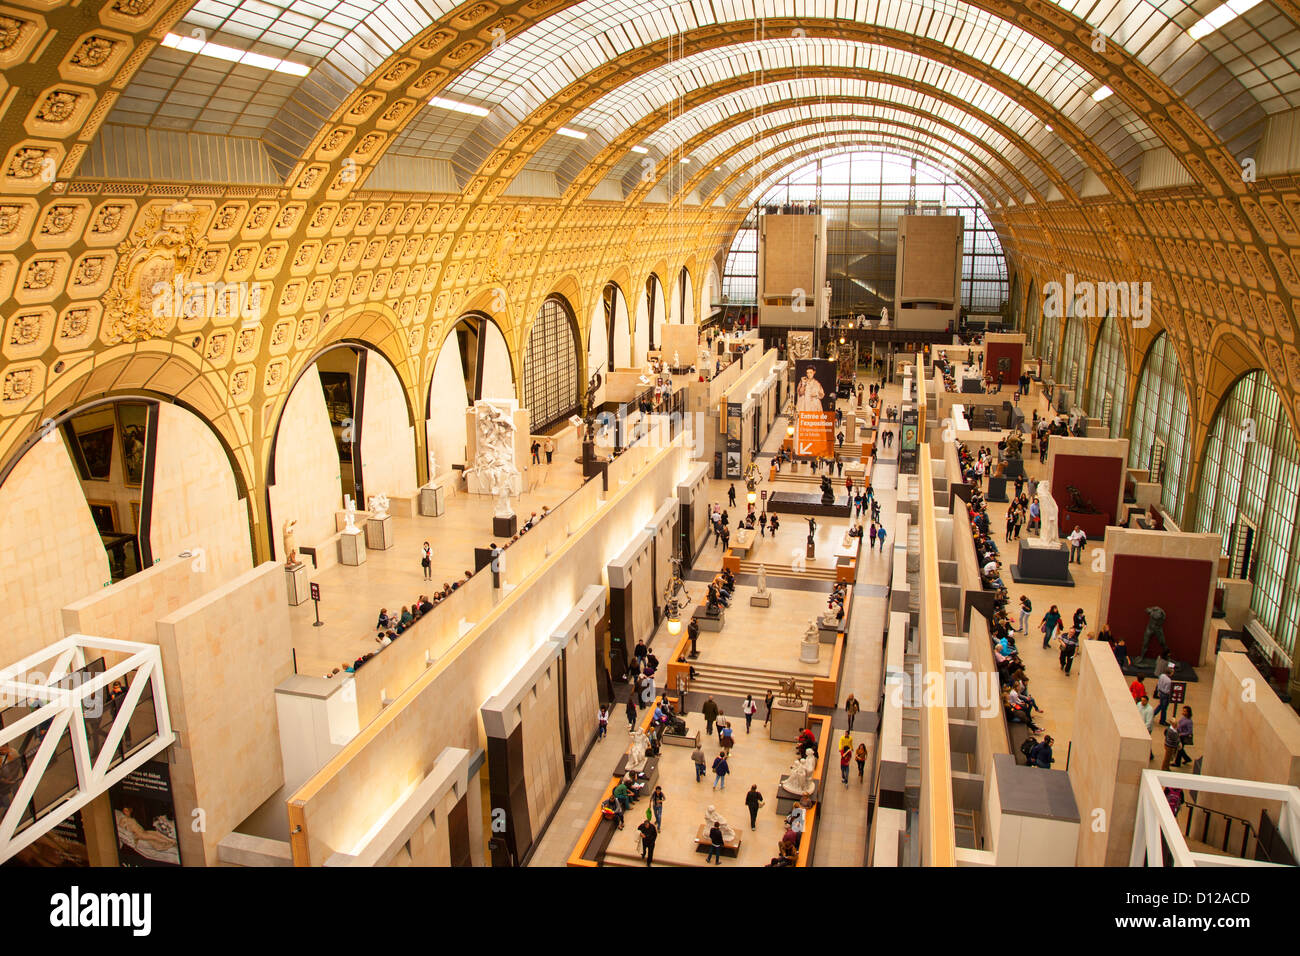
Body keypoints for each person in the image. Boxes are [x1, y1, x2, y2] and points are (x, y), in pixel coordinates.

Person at [1137, 694, 1156, 761]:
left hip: (1147, 729)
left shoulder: (1150, 710)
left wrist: (1143, 729)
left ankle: (1150, 755)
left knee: (1146, 742)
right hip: (1140, 726)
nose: (1142, 702)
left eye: (1144, 701)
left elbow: (1149, 722)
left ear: (1147, 701)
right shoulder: (1139, 704)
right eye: (1142, 700)